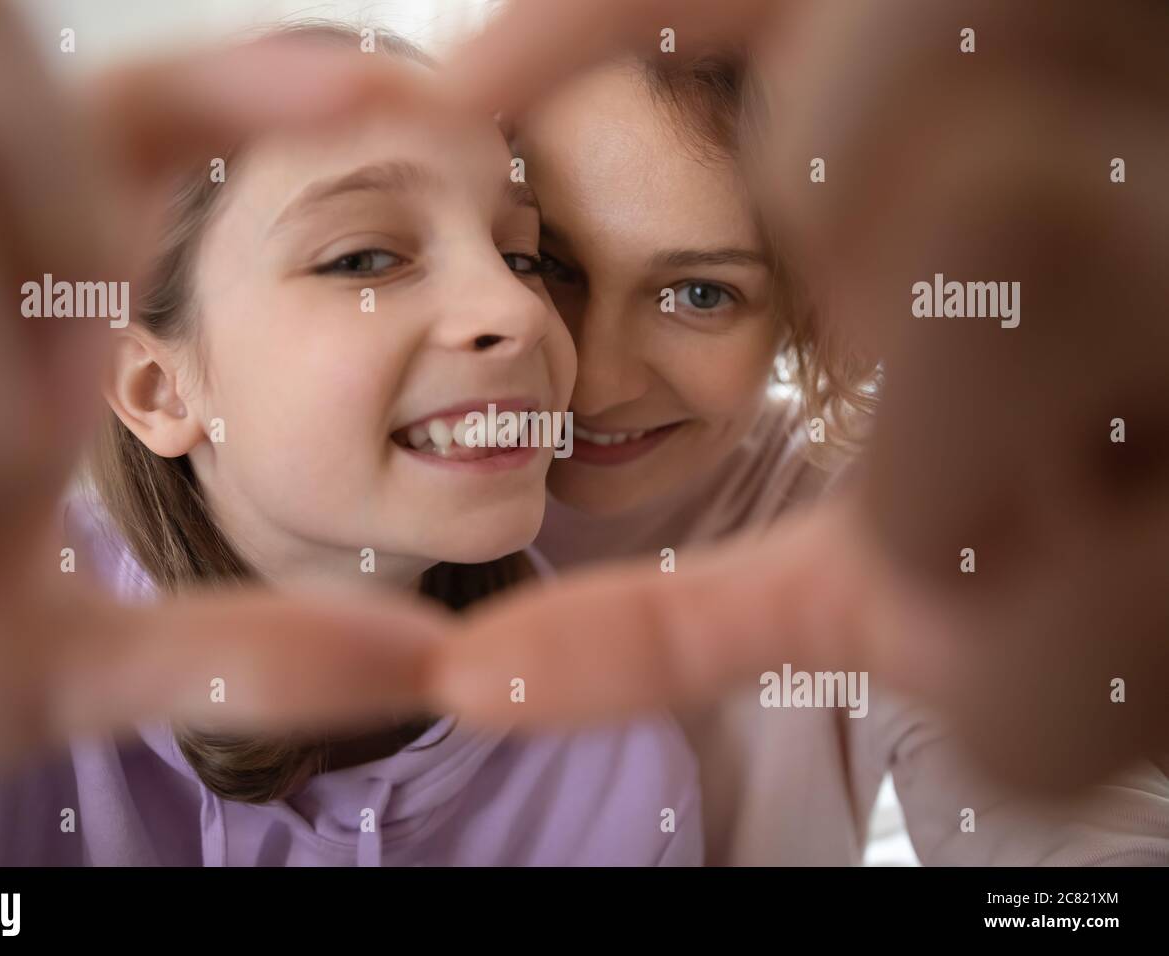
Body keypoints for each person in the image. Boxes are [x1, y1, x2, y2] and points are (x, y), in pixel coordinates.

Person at [0, 21, 701, 867]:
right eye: (365, 258)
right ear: (157, 390)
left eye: (521, 256)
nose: (520, 311)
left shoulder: (618, 768)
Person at [493, 51, 1168, 864]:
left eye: (703, 294)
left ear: (810, 313)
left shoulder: (866, 521)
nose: (596, 384)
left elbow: (1083, 852)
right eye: (549, 263)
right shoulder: (363, 503)